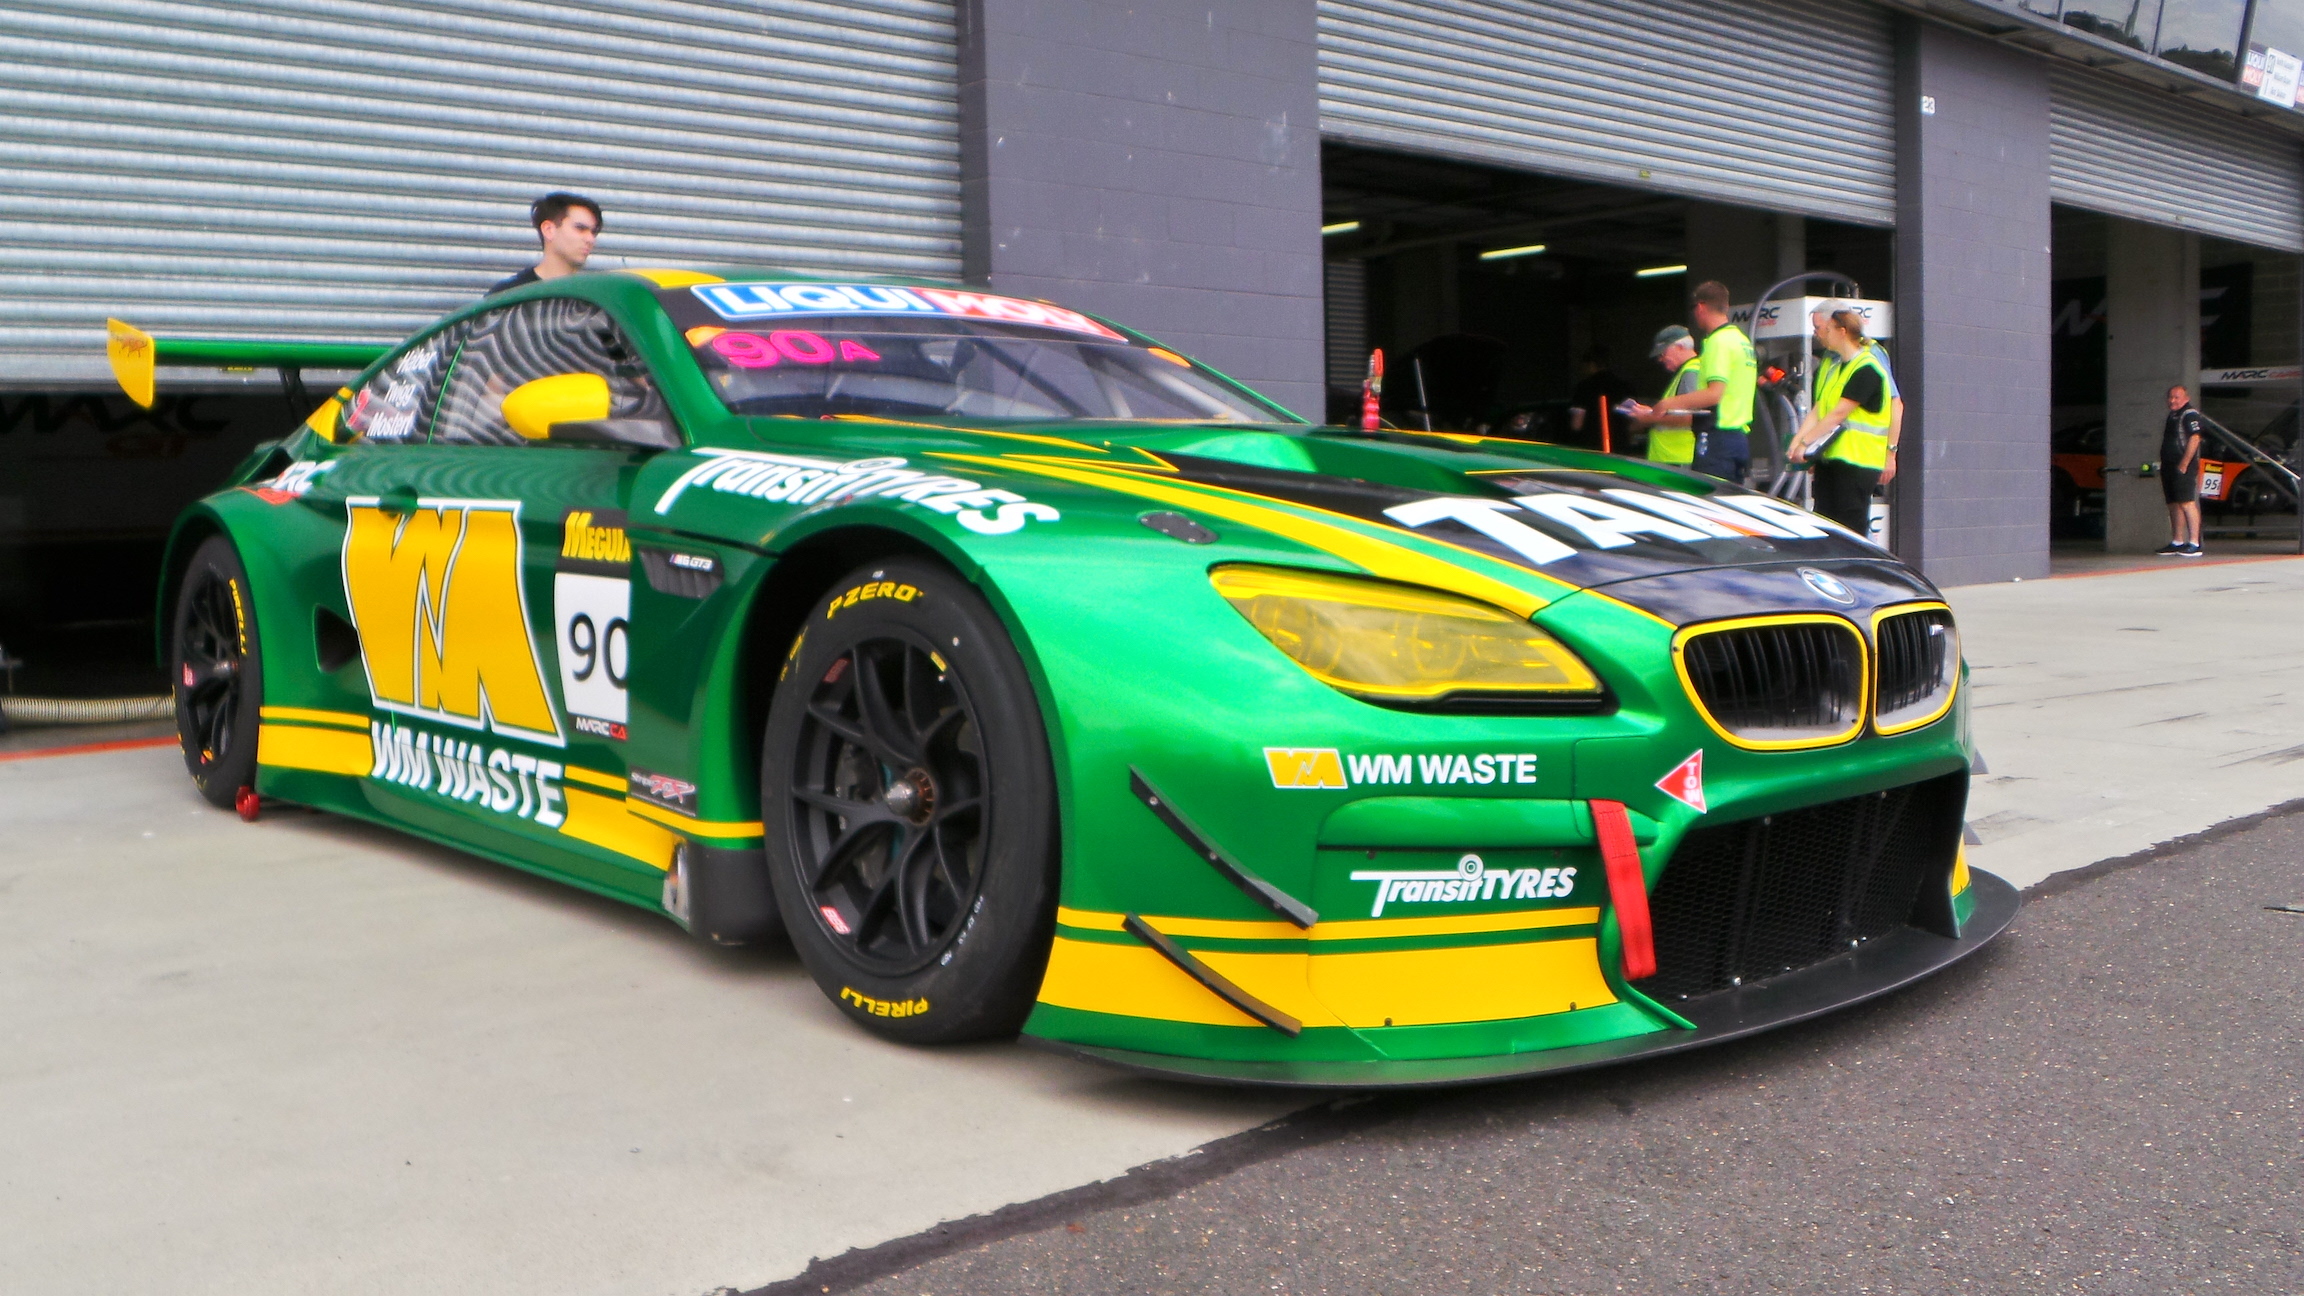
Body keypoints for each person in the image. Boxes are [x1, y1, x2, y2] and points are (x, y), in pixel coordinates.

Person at [1786, 304, 1896, 534]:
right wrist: (1799, 442)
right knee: (1826, 526)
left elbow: (1838, 414)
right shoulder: (1835, 367)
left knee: (1849, 528)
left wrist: (1805, 443)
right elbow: (1819, 410)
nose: (1821, 334)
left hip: (1858, 462)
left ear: (1842, 331)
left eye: (1826, 329)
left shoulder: (1867, 368)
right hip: (1832, 459)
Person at [1647, 280, 1756, 483]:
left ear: (1700, 307)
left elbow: (1714, 393)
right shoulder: (1741, 340)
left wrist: (1668, 403)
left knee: (1709, 505)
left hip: (1717, 437)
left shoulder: (1718, 341)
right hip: (1739, 437)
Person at [489, 193, 602, 295]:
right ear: (548, 230)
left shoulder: (592, 299)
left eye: (594, 232)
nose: (590, 239)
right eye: (580, 228)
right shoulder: (509, 295)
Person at [1623, 325, 1699, 466]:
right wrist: (1651, 412)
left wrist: (1650, 418)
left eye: (1663, 353)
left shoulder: (1690, 373)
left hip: (1677, 460)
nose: (1660, 359)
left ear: (1680, 347)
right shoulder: (1688, 371)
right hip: (1673, 458)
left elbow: (1690, 417)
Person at [2158, 384, 2206, 557]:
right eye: (2170, 397)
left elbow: (2195, 438)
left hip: (2182, 465)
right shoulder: (2172, 415)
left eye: (2176, 397)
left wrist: (2184, 463)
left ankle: (2194, 543)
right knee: (2173, 503)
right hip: (2168, 465)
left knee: (2186, 502)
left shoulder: (2190, 414)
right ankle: (2177, 541)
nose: (2172, 401)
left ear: (2186, 398)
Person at [1566, 346, 1635, 451]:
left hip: (1592, 447)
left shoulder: (1584, 387)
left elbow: (1577, 424)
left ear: (1591, 364)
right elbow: (1634, 421)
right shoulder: (1624, 386)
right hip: (1620, 446)